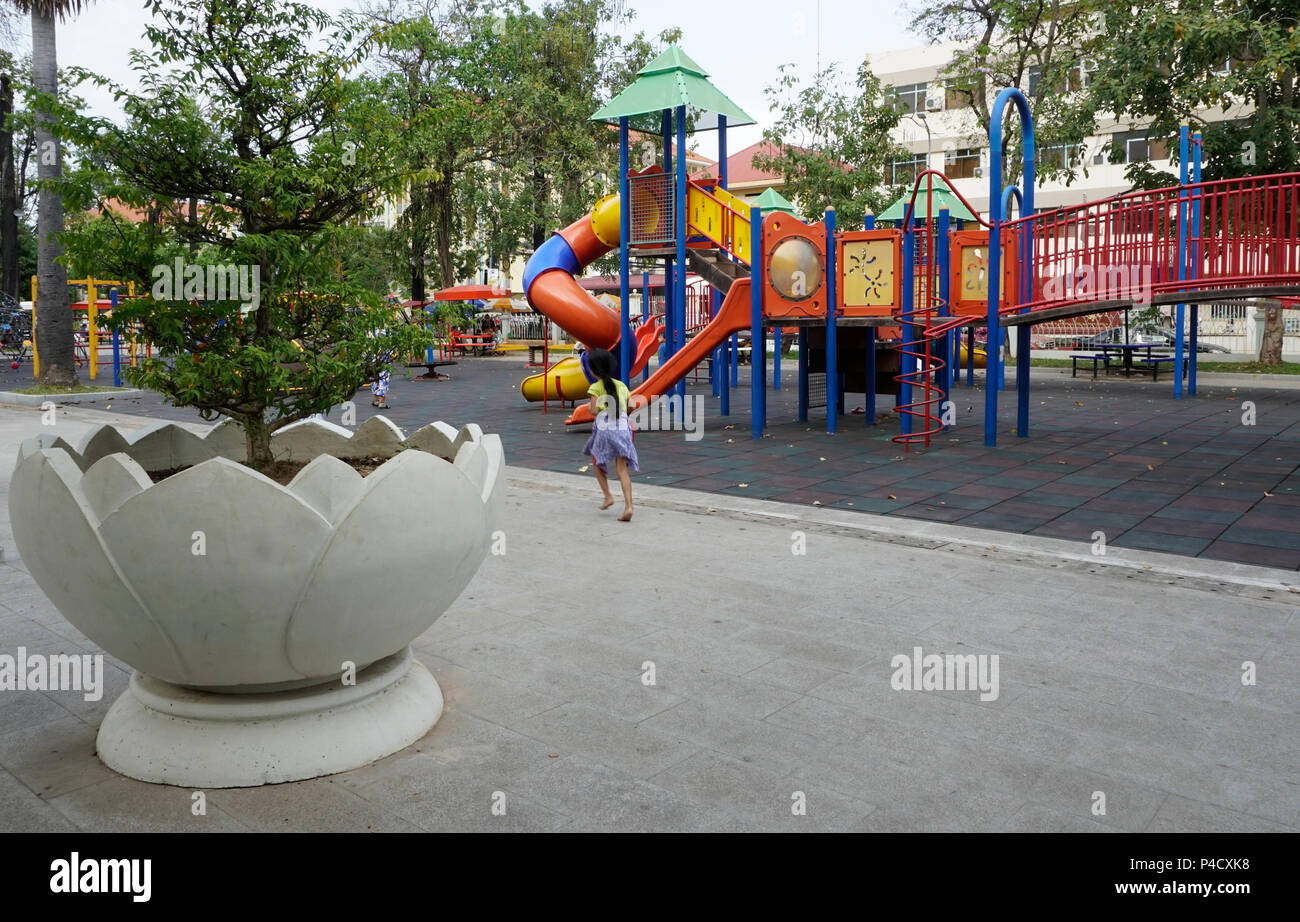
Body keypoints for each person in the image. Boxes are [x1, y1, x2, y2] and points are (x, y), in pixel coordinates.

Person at [583, 348, 637, 522]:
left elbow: (592, 411)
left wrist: (598, 406)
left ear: (593, 370)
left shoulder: (595, 388)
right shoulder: (621, 385)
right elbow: (632, 406)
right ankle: (629, 506)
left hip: (605, 429)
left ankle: (608, 496)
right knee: (622, 469)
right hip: (622, 427)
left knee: (597, 463)